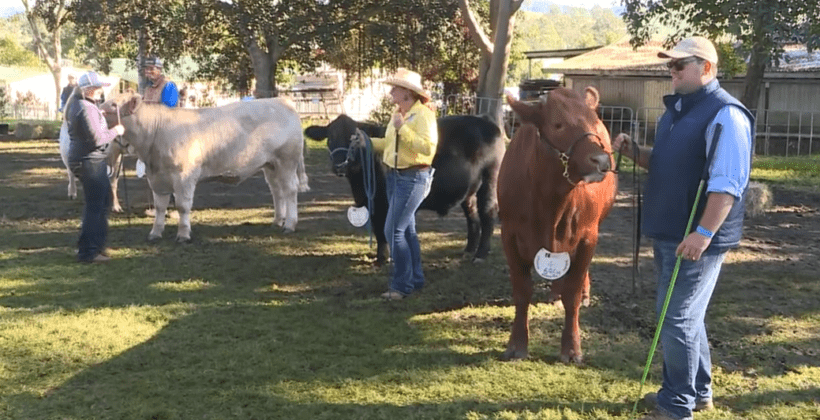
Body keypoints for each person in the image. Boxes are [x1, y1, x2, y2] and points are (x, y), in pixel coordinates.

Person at [613, 37, 754, 420]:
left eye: (679, 65)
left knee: (676, 318)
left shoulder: (726, 115)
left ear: (706, 68)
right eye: (669, 67)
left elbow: (727, 185)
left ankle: (676, 406)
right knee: (685, 316)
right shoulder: (675, 113)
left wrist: (704, 233)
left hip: (696, 239)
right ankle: (699, 393)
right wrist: (634, 152)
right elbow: (667, 164)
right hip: (669, 232)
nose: (670, 72)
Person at [352, 68, 437, 300]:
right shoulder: (398, 113)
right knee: (406, 231)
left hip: (413, 177)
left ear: (407, 93)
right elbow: (391, 145)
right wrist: (368, 142)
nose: (391, 92)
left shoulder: (423, 116)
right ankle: (414, 279)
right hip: (396, 177)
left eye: (395, 88)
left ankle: (401, 286)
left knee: (393, 230)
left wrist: (403, 129)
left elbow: (428, 148)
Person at [65, 71, 126, 263]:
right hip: (90, 161)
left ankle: (90, 247)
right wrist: (115, 130)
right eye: (98, 88)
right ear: (91, 90)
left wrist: (99, 115)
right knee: (96, 207)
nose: (101, 91)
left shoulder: (77, 105)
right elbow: (98, 139)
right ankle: (89, 252)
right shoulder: (86, 108)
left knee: (102, 202)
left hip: (83, 159)